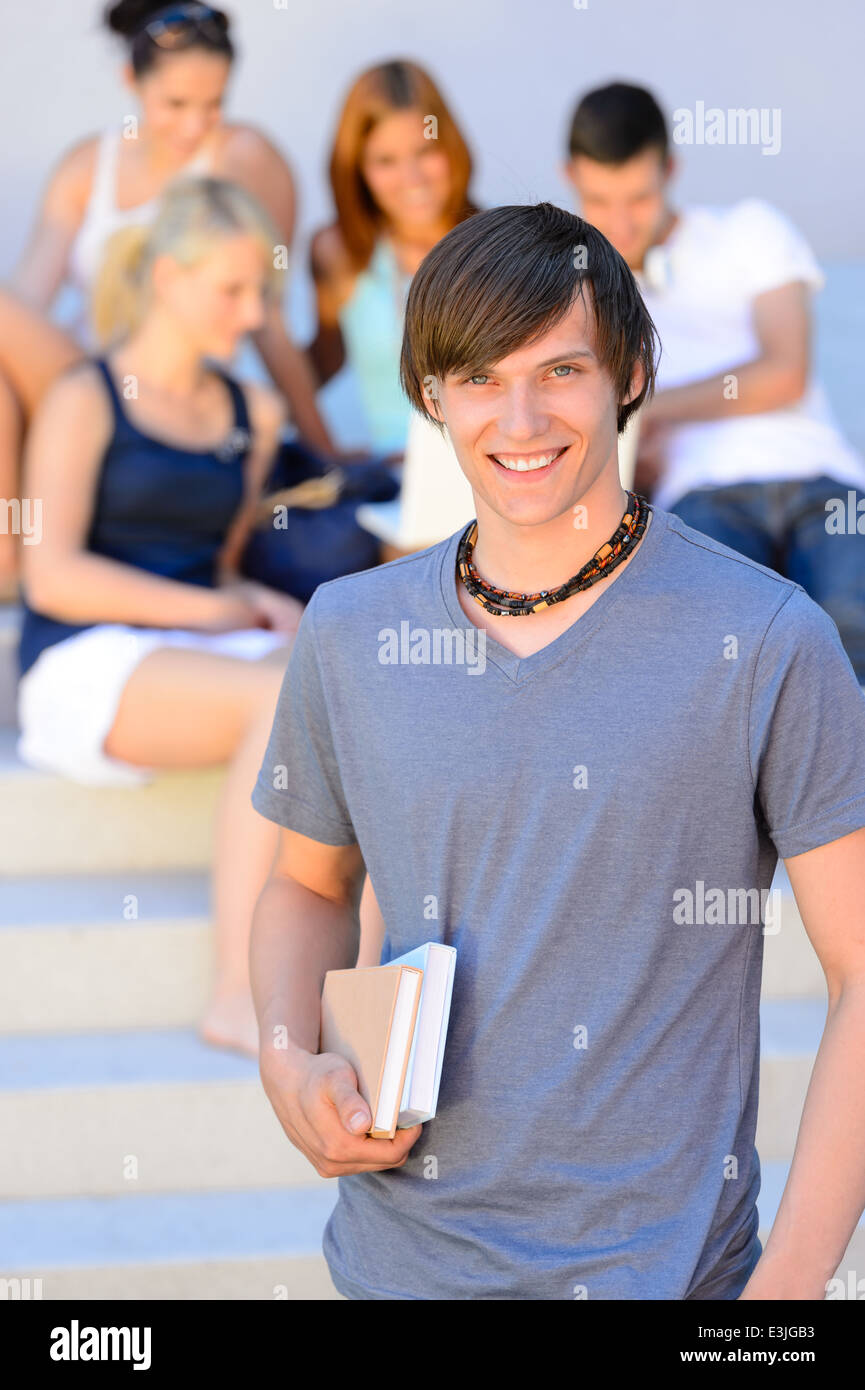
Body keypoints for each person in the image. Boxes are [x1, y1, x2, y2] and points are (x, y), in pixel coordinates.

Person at [248, 202, 865, 1300]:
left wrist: (790, 1289)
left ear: (629, 371)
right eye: (479, 377)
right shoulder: (349, 631)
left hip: (668, 1280)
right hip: (392, 1271)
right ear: (432, 393)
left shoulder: (768, 639)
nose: (519, 417)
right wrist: (289, 1059)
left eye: (560, 368)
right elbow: (304, 883)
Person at [17, 175, 354, 1059]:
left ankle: (369, 983)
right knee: (277, 699)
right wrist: (220, 609)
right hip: (84, 657)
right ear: (168, 277)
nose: (252, 316)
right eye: (233, 290)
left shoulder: (255, 410)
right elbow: (48, 575)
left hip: (195, 641)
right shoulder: (85, 397)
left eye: (262, 295)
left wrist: (244, 606)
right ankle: (237, 995)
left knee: (350, 686)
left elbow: (223, 559)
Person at [0, 0, 334, 588]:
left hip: (164, 391)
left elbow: (266, 320)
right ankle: (7, 562)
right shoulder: (88, 167)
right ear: (130, 82)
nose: (193, 126)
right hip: (78, 382)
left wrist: (323, 446)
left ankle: (13, 568)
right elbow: (27, 300)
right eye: (175, 104)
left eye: (213, 105)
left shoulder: (242, 157)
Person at [562, 82, 865, 684]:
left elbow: (784, 373)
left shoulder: (750, 230)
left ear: (670, 170)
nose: (621, 222)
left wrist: (644, 407)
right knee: (724, 663)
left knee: (850, 629)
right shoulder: (583, 296)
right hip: (698, 497)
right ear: (570, 177)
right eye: (601, 199)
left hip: (824, 483)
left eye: (640, 198)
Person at [308, 59, 478, 462]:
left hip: (488, 482)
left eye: (426, 151)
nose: (412, 177)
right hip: (389, 490)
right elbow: (319, 364)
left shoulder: (499, 244)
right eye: (385, 161)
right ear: (357, 170)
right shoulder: (336, 252)